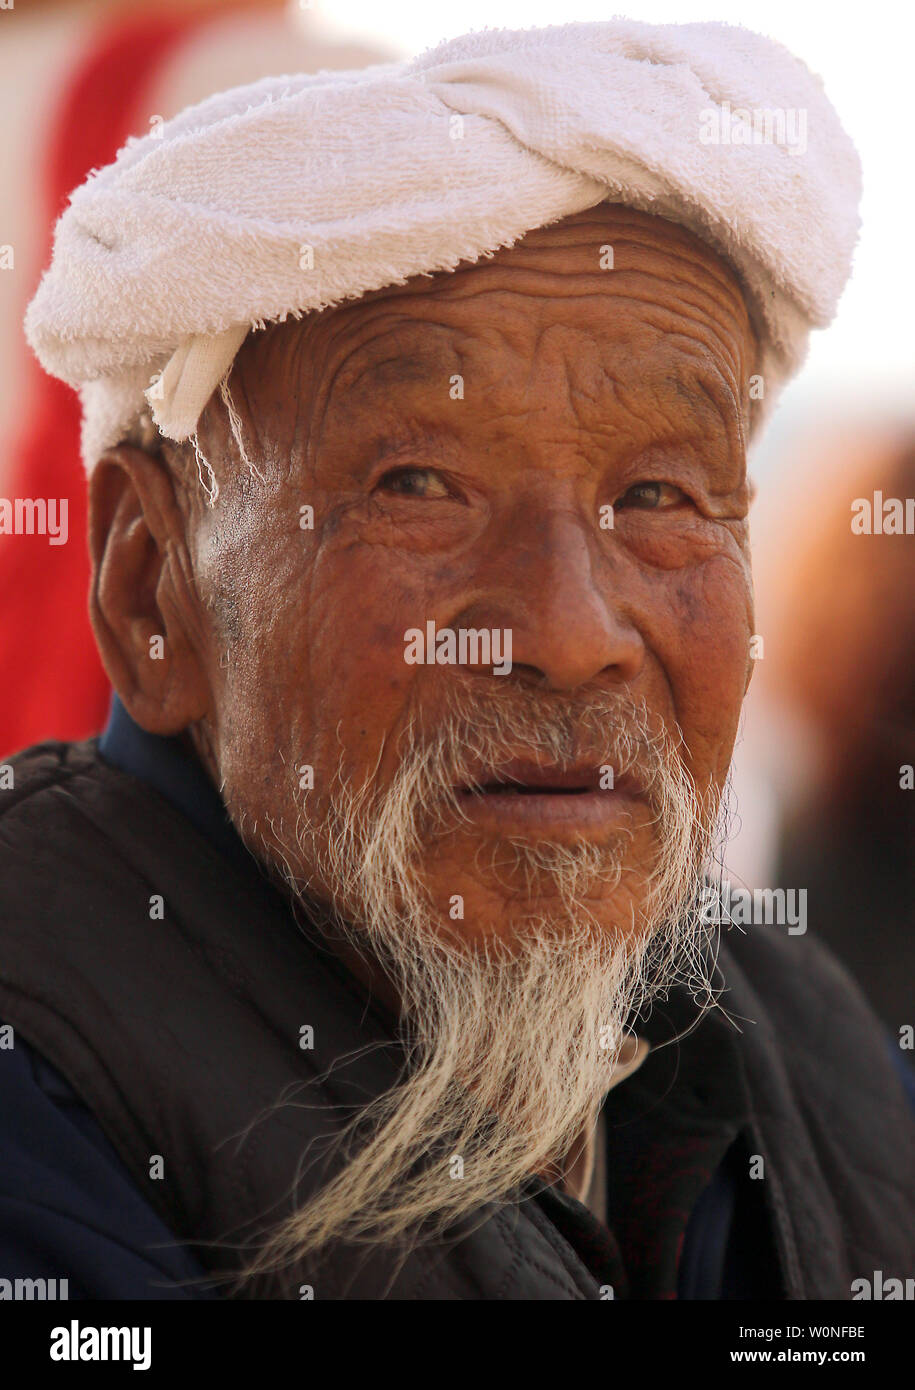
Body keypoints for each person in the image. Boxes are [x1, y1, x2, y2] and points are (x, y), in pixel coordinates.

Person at [1, 18, 912, 1301]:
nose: (571, 634)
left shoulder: (807, 1037)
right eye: (419, 484)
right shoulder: (41, 1065)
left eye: (660, 494)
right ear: (155, 588)